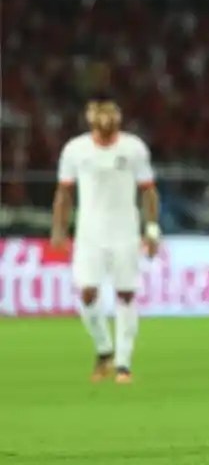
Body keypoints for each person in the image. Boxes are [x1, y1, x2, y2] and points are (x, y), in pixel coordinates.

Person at [51, 96, 160, 384]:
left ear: (118, 117)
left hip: (125, 231)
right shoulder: (75, 150)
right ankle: (104, 349)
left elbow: (148, 191)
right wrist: (59, 228)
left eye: (111, 113)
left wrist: (152, 230)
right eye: (100, 114)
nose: (106, 119)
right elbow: (64, 192)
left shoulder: (134, 148)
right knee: (88, 292)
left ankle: (123, 363)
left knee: (126, 293)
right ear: (90, 118)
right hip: (89, 233)